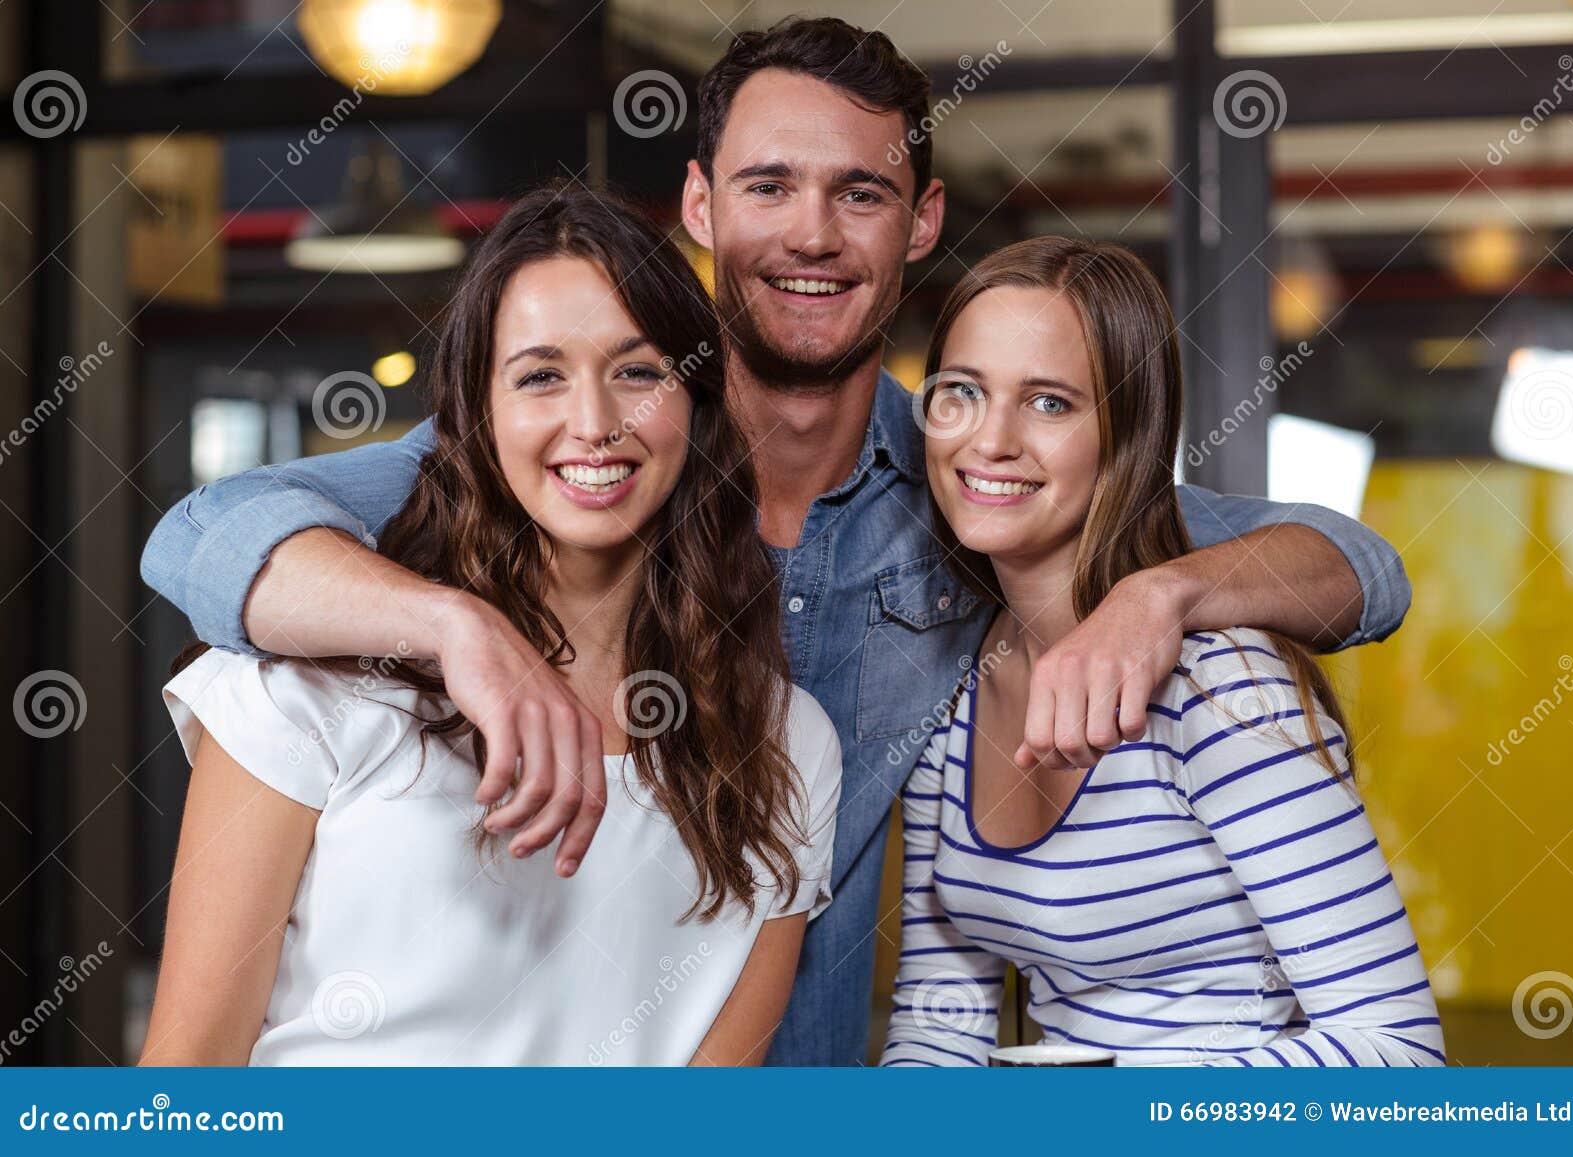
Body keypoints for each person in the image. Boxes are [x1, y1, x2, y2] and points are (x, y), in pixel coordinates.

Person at [140, 18, 1412, 1066]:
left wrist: (1165, 597)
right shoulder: (586, 451)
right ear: (699, 202)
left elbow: (1356, 564)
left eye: (858, 192)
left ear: (919, 222)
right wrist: (452, 623)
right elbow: (206, 531)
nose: (810, 233)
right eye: (766, 186)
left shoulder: (980, 488)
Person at [138, 185, 841, 1066]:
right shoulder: (303, 687)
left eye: (637, 370)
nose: (593, 423)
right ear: (475, 413)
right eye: (541, 375)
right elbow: (182, 1083)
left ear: (696, 401)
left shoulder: (783, 741)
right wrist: (460, 627)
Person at [881, 237, 1440, 1067]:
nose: (989, 441)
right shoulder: (954, 688)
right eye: (962, 392)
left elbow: (1398, 1054)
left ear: (1128, 435)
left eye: (1049, 403)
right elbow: (938, 1027)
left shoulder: (1222, 687)